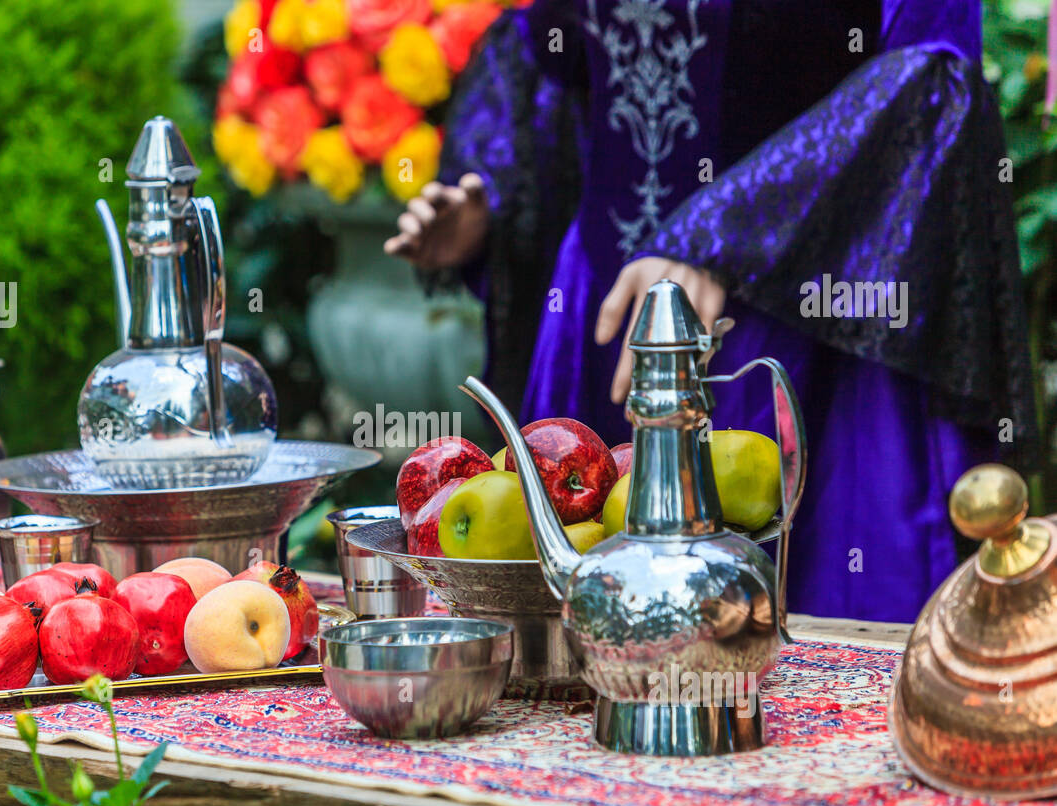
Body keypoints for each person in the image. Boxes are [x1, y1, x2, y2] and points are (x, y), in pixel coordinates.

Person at [385, 0, 1035, 624]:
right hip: (601, 322)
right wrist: (490, 204)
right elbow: (556, 60)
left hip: (797, 330)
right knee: (565, 653)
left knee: (784, 646)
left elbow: (926, 76)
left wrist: (726, 231)